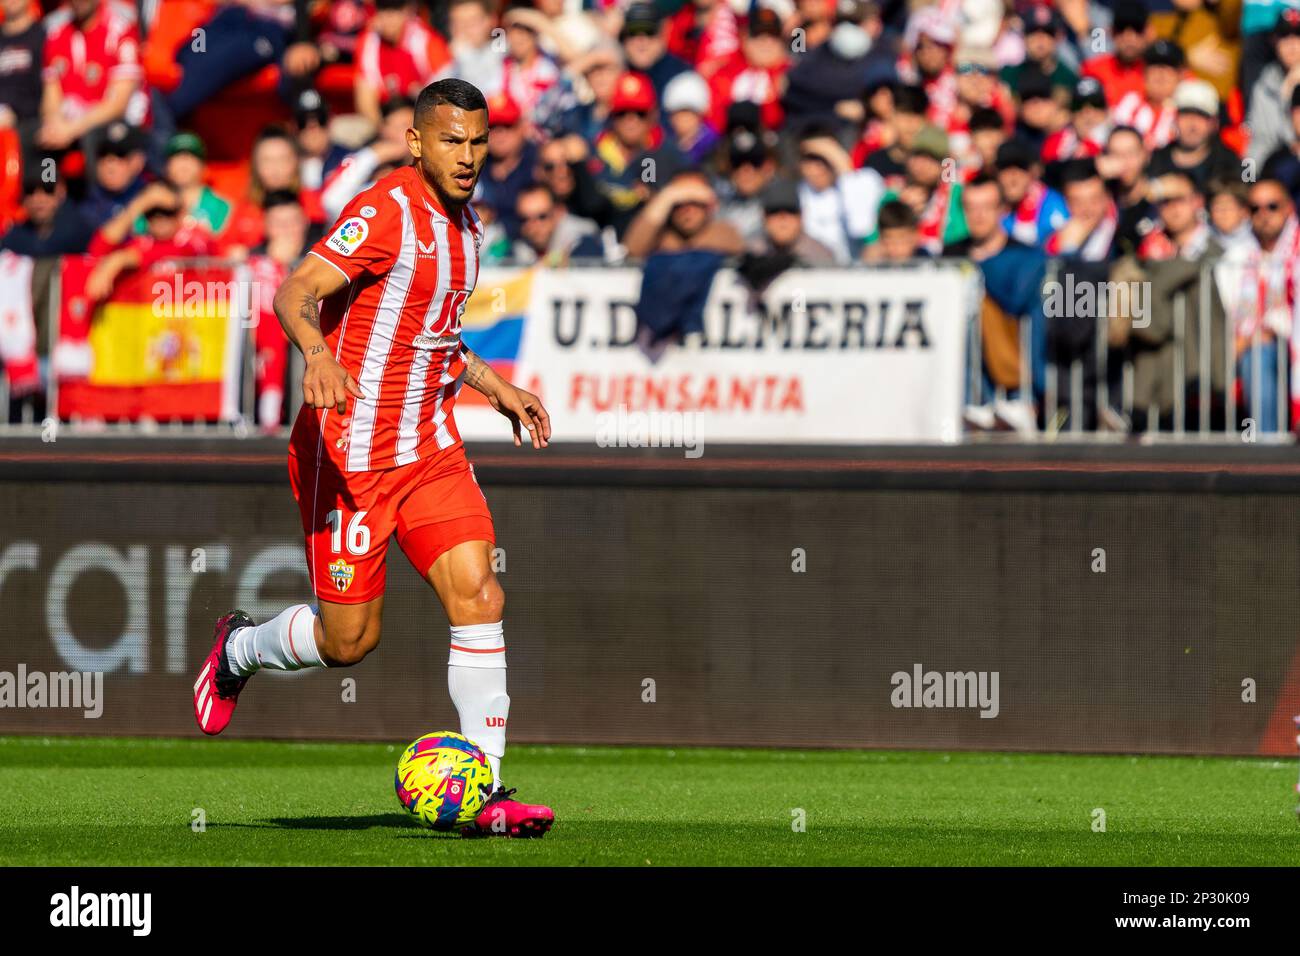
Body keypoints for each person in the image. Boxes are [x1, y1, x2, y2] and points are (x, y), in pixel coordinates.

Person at [192, 78, 556, 838]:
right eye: (451, 140)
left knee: (480, 595)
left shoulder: (469, 228)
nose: (468, 156)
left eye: (479, 141)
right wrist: (317, 355)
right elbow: (296, 290)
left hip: (427, 447)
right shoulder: (385, 210)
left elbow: (431, 337)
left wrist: (495, 386)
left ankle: (482, 789)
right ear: (417, 141)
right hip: (349, 452)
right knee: (348, 643)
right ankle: (241, 648)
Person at [511, 182, 602, 264]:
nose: (534, 225)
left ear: (558, 213)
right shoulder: (517, 246)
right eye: (524, 219)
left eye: (542, 216)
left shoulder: (582, 238)